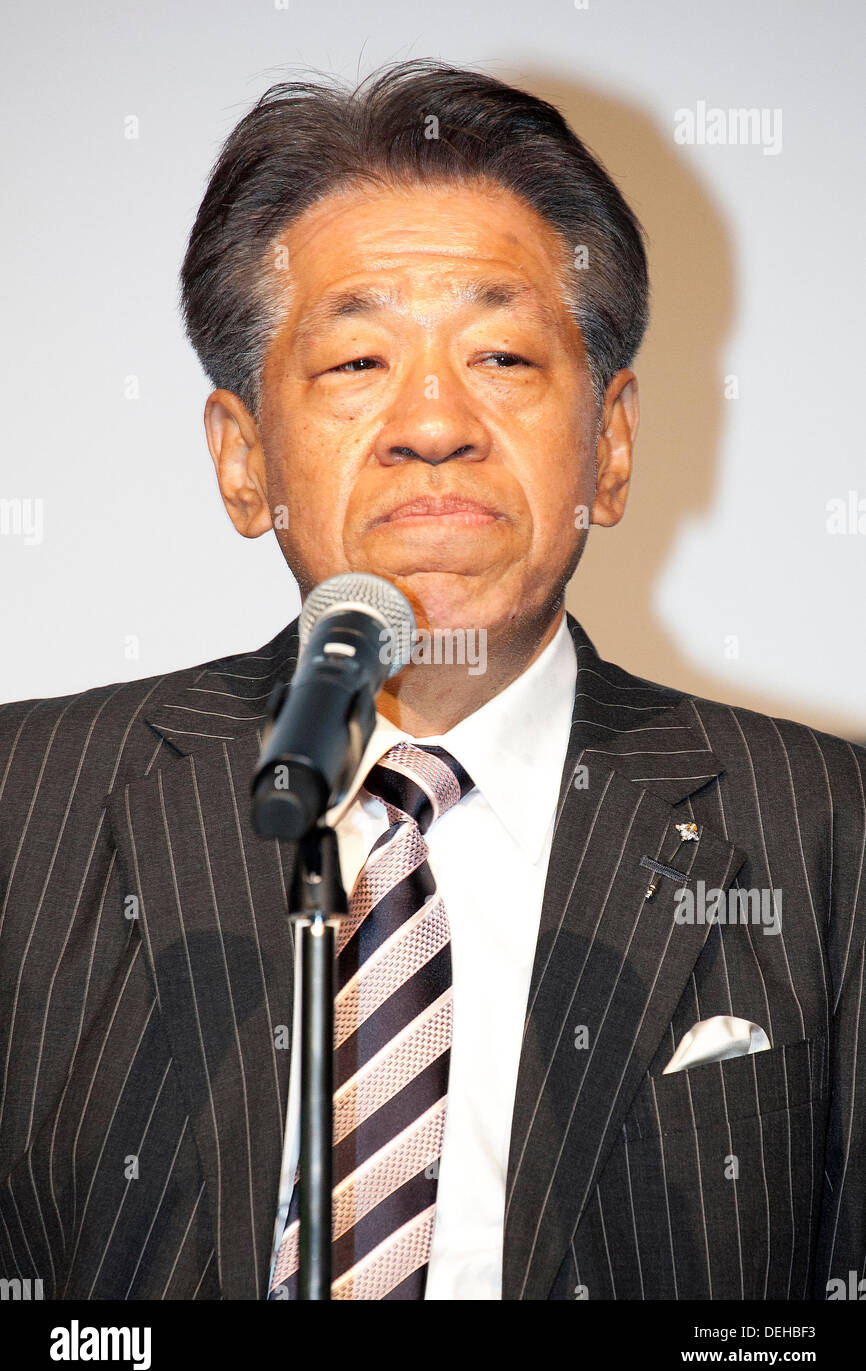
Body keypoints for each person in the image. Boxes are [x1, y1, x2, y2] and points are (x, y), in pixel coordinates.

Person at [0, 59, 863, 1301]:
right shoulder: (26, 811)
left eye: (502, 357)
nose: (431, 421)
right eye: (355, 365)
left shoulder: (825, 831)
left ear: (610, 449)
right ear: (243, 461)